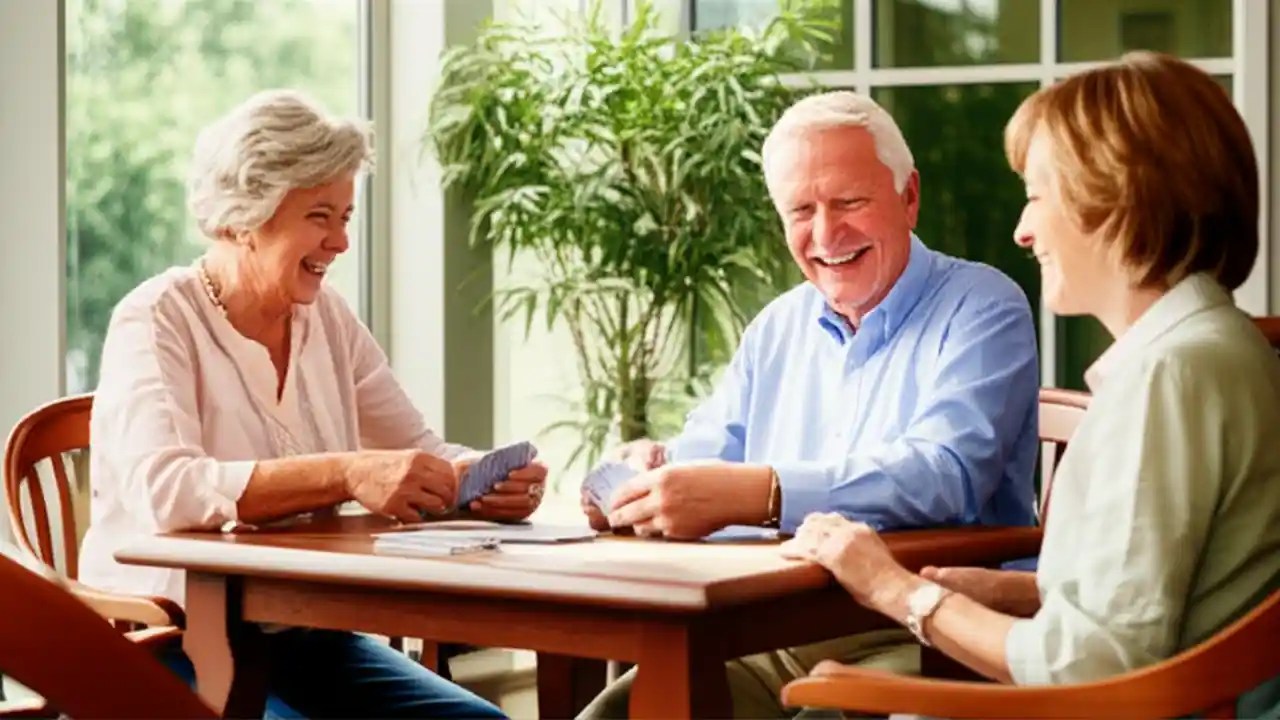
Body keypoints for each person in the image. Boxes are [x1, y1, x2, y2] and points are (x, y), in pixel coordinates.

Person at [783, 52, 1280, 715]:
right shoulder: (1222, 348)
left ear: (1118, 196)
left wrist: (895, 592)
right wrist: (1014, 591)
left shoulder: (1174, 374)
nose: (1023, 230)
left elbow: (1095, 664)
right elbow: (1166, 596)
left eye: (1037, 195)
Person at [78, 89, 541, 719]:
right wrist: (348, 470)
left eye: (346, 217)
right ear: (246, 215)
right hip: (171, 643)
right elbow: (169, 490)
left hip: (309, 639)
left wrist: (484, 477)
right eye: (320, 216)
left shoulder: (327, 319)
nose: (341, 243)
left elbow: (418, 451)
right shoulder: (156, 318)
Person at [579, 90, 1041, 717]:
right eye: (802, 210)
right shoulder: (777, 325)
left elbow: (947, 475)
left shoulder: (983, 306)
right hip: (767, 631)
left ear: (909, 198)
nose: (827, 234)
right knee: (621, 713)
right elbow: (703, 458)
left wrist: (763, 493)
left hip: (923, 626)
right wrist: (644, 483)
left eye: (850, 201)